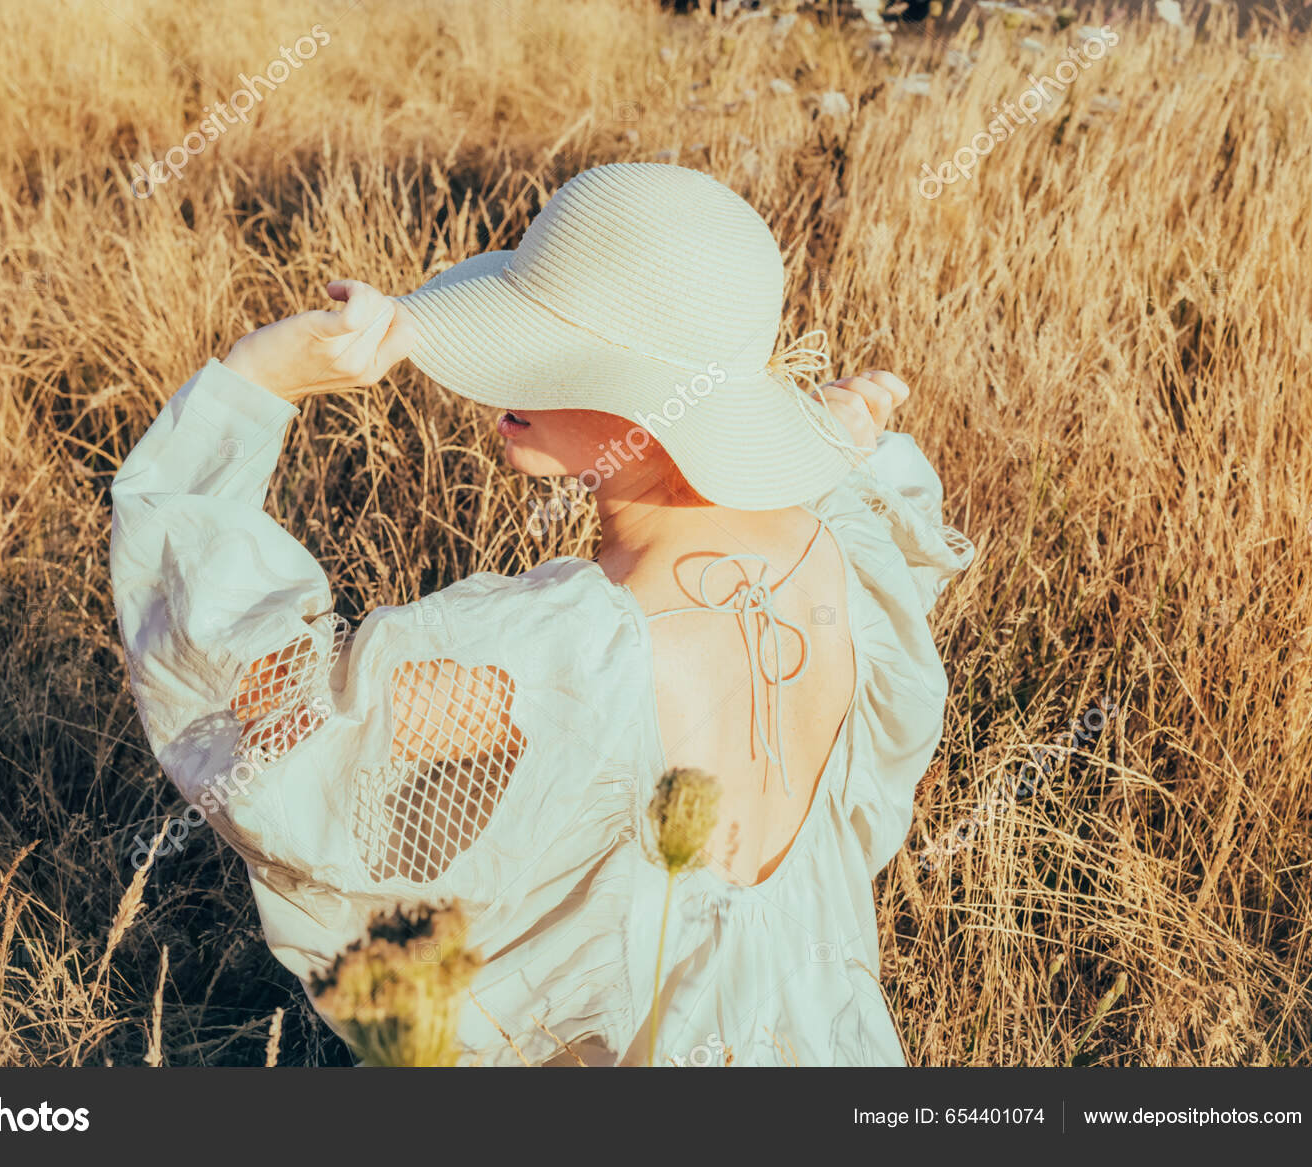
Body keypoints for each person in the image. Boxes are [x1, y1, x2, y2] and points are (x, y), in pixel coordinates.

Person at [110, 163, 973, 1066]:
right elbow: (848, 455)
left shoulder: (576, 654)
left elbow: (273, 711)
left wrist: (255, 382)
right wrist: (805, 431)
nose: (499, 380)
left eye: (542, 357)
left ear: (653, 407)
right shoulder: (844, 537)